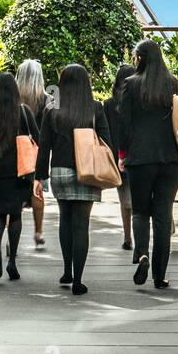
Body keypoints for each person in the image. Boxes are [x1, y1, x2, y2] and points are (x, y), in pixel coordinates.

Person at [34, 64, 114, 297]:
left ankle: (66, 271)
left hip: (59, 171)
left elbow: (44, 146)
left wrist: (39, 177)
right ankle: (78, 280)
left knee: (65, 221)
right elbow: (107, 142)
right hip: (87, 172)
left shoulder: (52, 110)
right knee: (81, 225)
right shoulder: (95, 109)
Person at [118, 40, 178, 290]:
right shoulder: (173, 84)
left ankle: (142, 254)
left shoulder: (131, 85)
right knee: (162, 215)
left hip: (140, 159)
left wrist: (123, 153)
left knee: (140, 211)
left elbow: (123, 125)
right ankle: (160, 275)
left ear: (140, 58)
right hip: (171, 161)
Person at [0, 71, 35, 282]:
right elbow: (36, 138)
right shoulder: (22, 112)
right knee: (16, 215)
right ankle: (12, 261)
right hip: (17, 171)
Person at [103, 63, 135, 251]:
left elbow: (105, 133)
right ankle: (132, 236)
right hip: (137, 155)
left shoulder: (108, 104)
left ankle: (127, 236)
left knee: (126, 202)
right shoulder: (139, 101)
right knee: (140, 199)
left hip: (117, 156)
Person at [16, 58, 47, 247]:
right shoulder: (46, 99)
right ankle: (38, 231)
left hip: (17, 150)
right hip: (37, 152)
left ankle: (14, 238)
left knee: (16, 195)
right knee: (37, 192)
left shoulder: (14, 98)